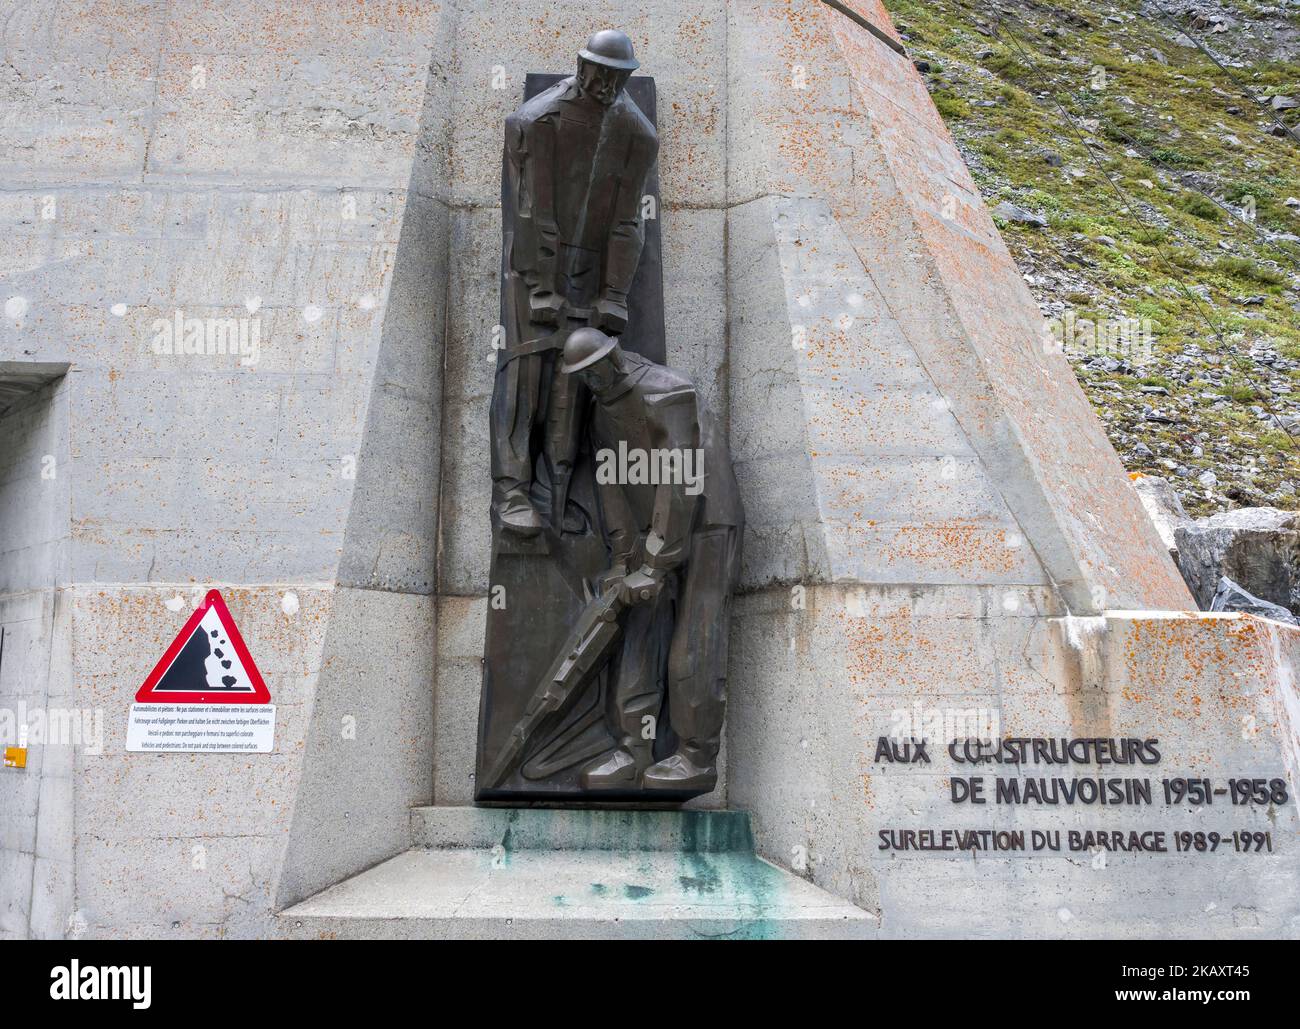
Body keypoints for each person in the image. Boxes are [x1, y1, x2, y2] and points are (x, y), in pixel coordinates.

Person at [559, 328, 744, 791]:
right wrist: (625, 562)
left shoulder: (668, 392)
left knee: (693, 641)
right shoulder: (603, 412)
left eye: (594, 372)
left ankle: (696, 758)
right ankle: (635, 748)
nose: (590, 383)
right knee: (639, 629)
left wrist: (656, 563)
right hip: (653, 530)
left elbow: (681, 480)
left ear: (614, 358)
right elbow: (612, 487)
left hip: (708, 524)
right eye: (582, 377)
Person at [492, 29, 659, 537]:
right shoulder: (536, 120)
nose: (606, 84)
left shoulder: (637, 134)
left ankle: (557, 490)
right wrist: (541, 286)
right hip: (535, 260)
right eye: (599, 72)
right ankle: (512, 491)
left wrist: (614, 293)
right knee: (526, 371)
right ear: (581, 67)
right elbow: (529, 210)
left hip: (594, 265)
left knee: (576, 379)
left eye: (617, 77)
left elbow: (629, 220)